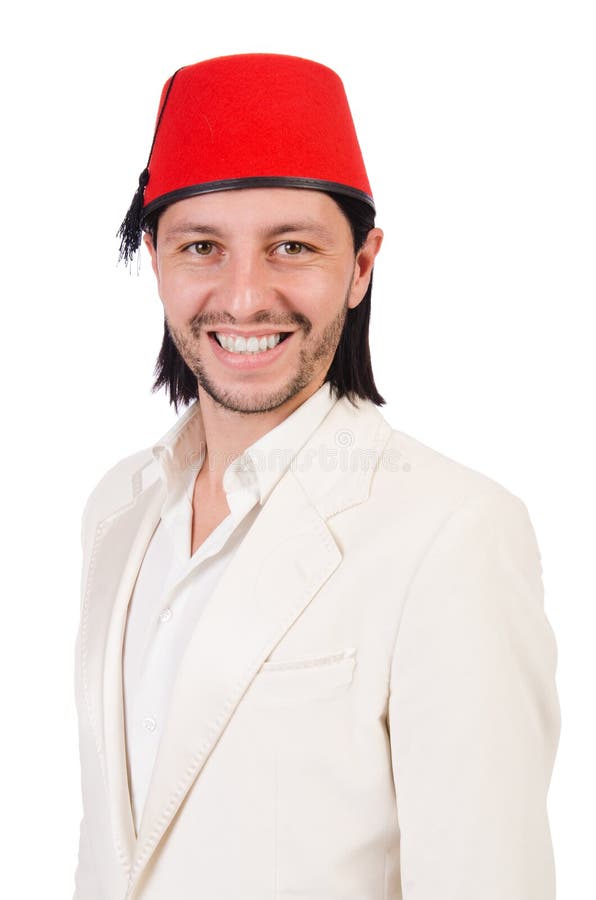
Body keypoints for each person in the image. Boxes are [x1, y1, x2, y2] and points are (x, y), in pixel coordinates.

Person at [73, 53, 561, 900]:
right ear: (155, 259)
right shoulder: (119, 508)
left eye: (291, 247)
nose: (245, 296)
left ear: (363, 264)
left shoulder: (453, 534)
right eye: (202, 247)